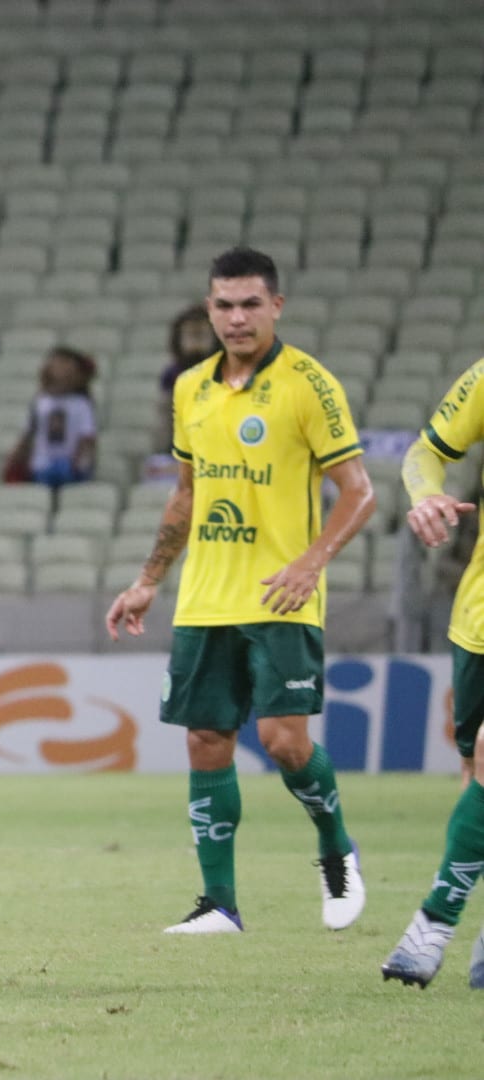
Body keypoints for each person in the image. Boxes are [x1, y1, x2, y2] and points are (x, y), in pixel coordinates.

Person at [104, 246, 376, 935]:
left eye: (251, 303)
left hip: (282, 598)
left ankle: (336, 849)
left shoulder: (309, 385)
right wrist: (146, 583)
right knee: (205, 740)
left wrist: (311, 563)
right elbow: (186, 498)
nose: (236, 317)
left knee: (284, 743)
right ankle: (219, 903)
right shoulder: (191, 388)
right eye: (224, 304)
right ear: (209, 310)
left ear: (276, 307)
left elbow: (359, 493)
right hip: (205, 599)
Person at [380, 359, 484, 989]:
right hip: (478, 615)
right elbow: (424, 451)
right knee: (473, 776)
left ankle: (431, 927)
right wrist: (425, 497)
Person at [3, 345, 98, 488]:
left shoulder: (81, 404)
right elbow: (28, 434)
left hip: (69, 467)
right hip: (41, 466)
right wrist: (14, 461)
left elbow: (87, 438)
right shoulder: (40, 402)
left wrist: (77, 464)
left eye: (64, 365)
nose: (59, 369)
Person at [157, 305, 219, 453]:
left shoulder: (224, 371)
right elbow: (165, 418)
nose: (196, 342)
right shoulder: (172, 375)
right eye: (191, 335)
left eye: (202, 335)